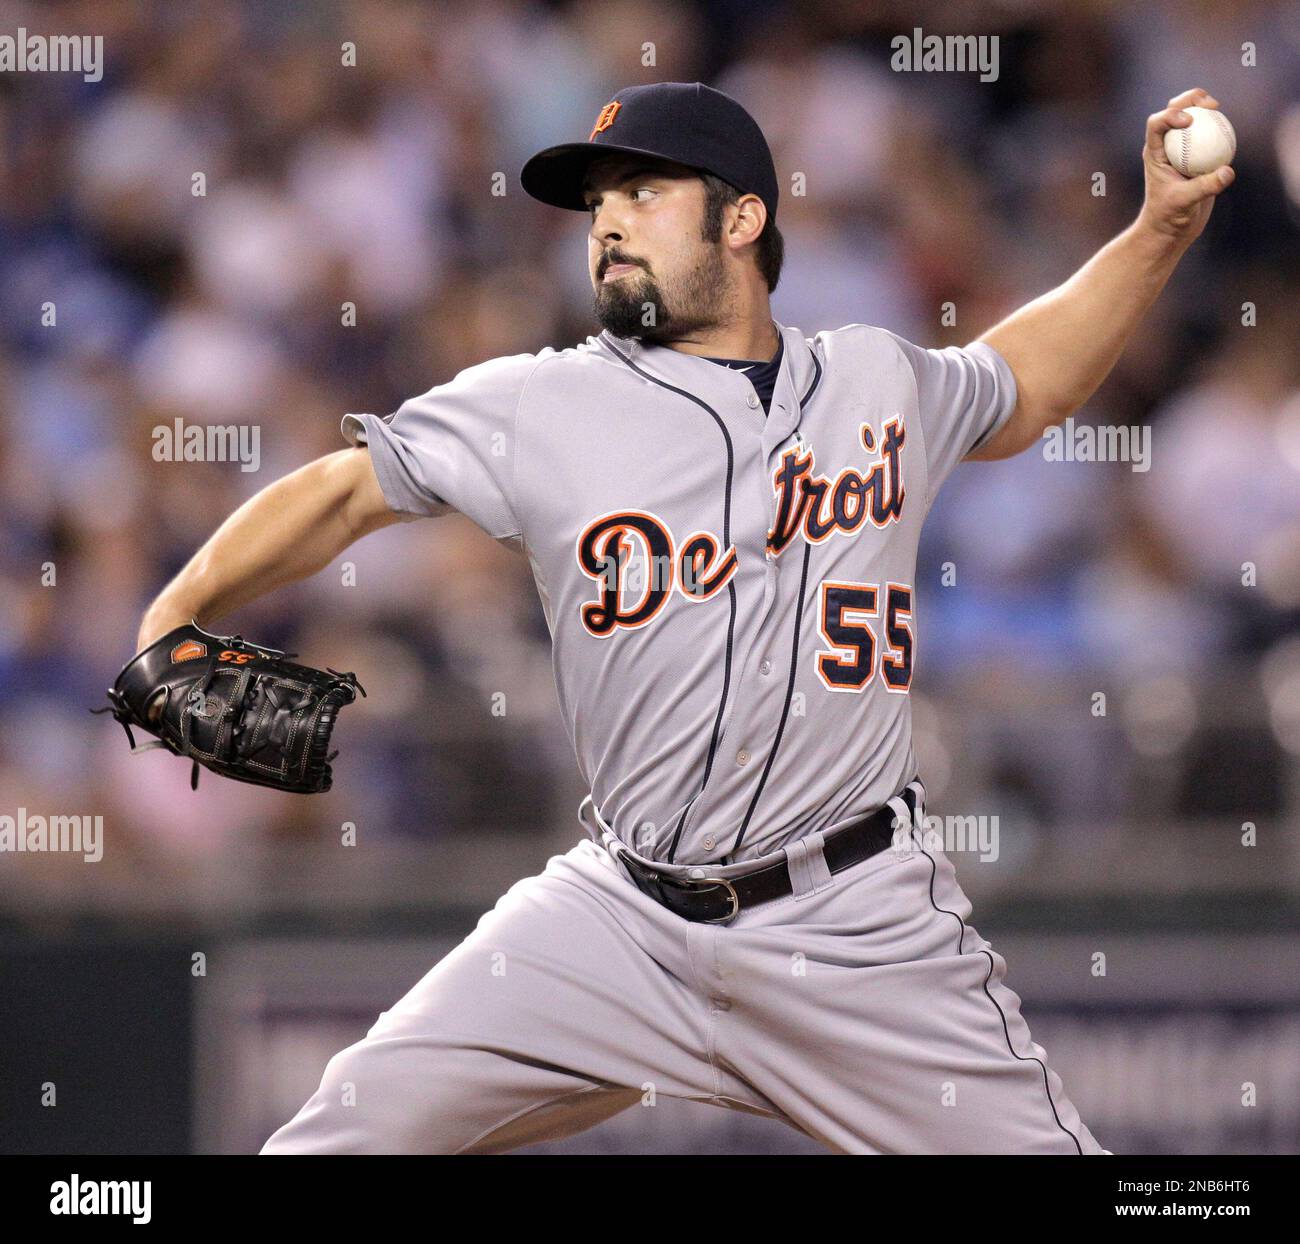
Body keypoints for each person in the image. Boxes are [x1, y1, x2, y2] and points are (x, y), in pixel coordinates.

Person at [136, 82, 1232, 1154]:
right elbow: (340, 490)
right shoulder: (541, 401)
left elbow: (1022, 380)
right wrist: (180, 607)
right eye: (596, 201)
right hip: (620, 918)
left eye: (643, 190)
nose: (606, 219)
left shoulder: (873, 379)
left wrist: (1155, 229)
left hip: (853, 924)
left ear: (742, 216)